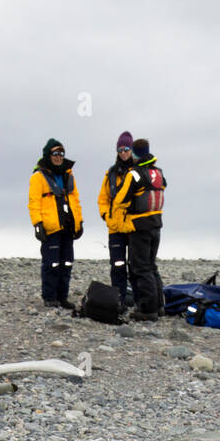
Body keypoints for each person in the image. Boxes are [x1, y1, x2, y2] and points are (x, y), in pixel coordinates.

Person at [111, 137, 167, 321]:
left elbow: (120, 199)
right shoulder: (158, 172)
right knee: (151, 266)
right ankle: (159, 306)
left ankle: (147, 309)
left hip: (139, 227)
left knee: (140, 268)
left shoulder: (135, 174)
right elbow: (162, 187)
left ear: (135, 154)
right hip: (156, 224)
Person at [28, 139, 83, 309]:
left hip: (67, 226)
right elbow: (33, 202)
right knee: (51, 264)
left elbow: (75, 201)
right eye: (55, 154)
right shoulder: (38, 177)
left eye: (61, 154)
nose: (59, 157)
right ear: (48, 155)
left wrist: (79, 222)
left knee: (66, 263)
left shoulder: (68, 175)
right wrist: (37, 224)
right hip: (51, 227)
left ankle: (62, 297)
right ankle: (50, 297)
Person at [97, 131, 136, 307]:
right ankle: (119, 301)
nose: (123, 153)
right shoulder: (111, 173)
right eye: (120, 149)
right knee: (118, 265)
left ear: (132, 149)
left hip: (134, 227)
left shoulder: (138, 171)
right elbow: (103, 199)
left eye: (126, 149)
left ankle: (137, 300)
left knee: (136, 267)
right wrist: (106, 216)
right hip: (115, 228)